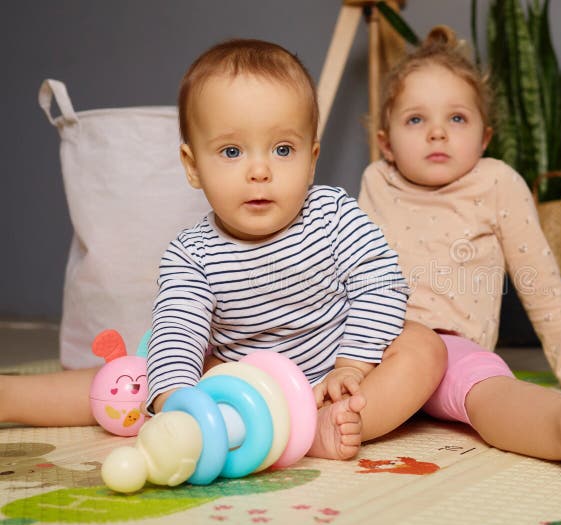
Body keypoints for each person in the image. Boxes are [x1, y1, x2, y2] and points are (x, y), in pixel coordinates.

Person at [0, 39, 446, 463]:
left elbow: (381, 285)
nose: (259, 170)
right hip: (244, 389)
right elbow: (178, 329)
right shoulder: (191, 255)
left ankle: (327, 426)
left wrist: (353, 365)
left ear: (311, 160)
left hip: (335, 374)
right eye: (232, 151)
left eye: (283, 149)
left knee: (423, 347)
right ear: (193, 166)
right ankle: (10, 397)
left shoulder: (333, 215)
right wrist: (176, 400)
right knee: (140, 373)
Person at [358, 27, 561, 484]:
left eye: (457, 118)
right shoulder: (376, 180)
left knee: (491, 395)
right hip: (370, 346)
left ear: (485, 137)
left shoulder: (497, 183)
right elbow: (348, 267)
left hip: (448, 351)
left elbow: (538, 279)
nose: (437, 133)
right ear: (386, 143)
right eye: (415, 120)